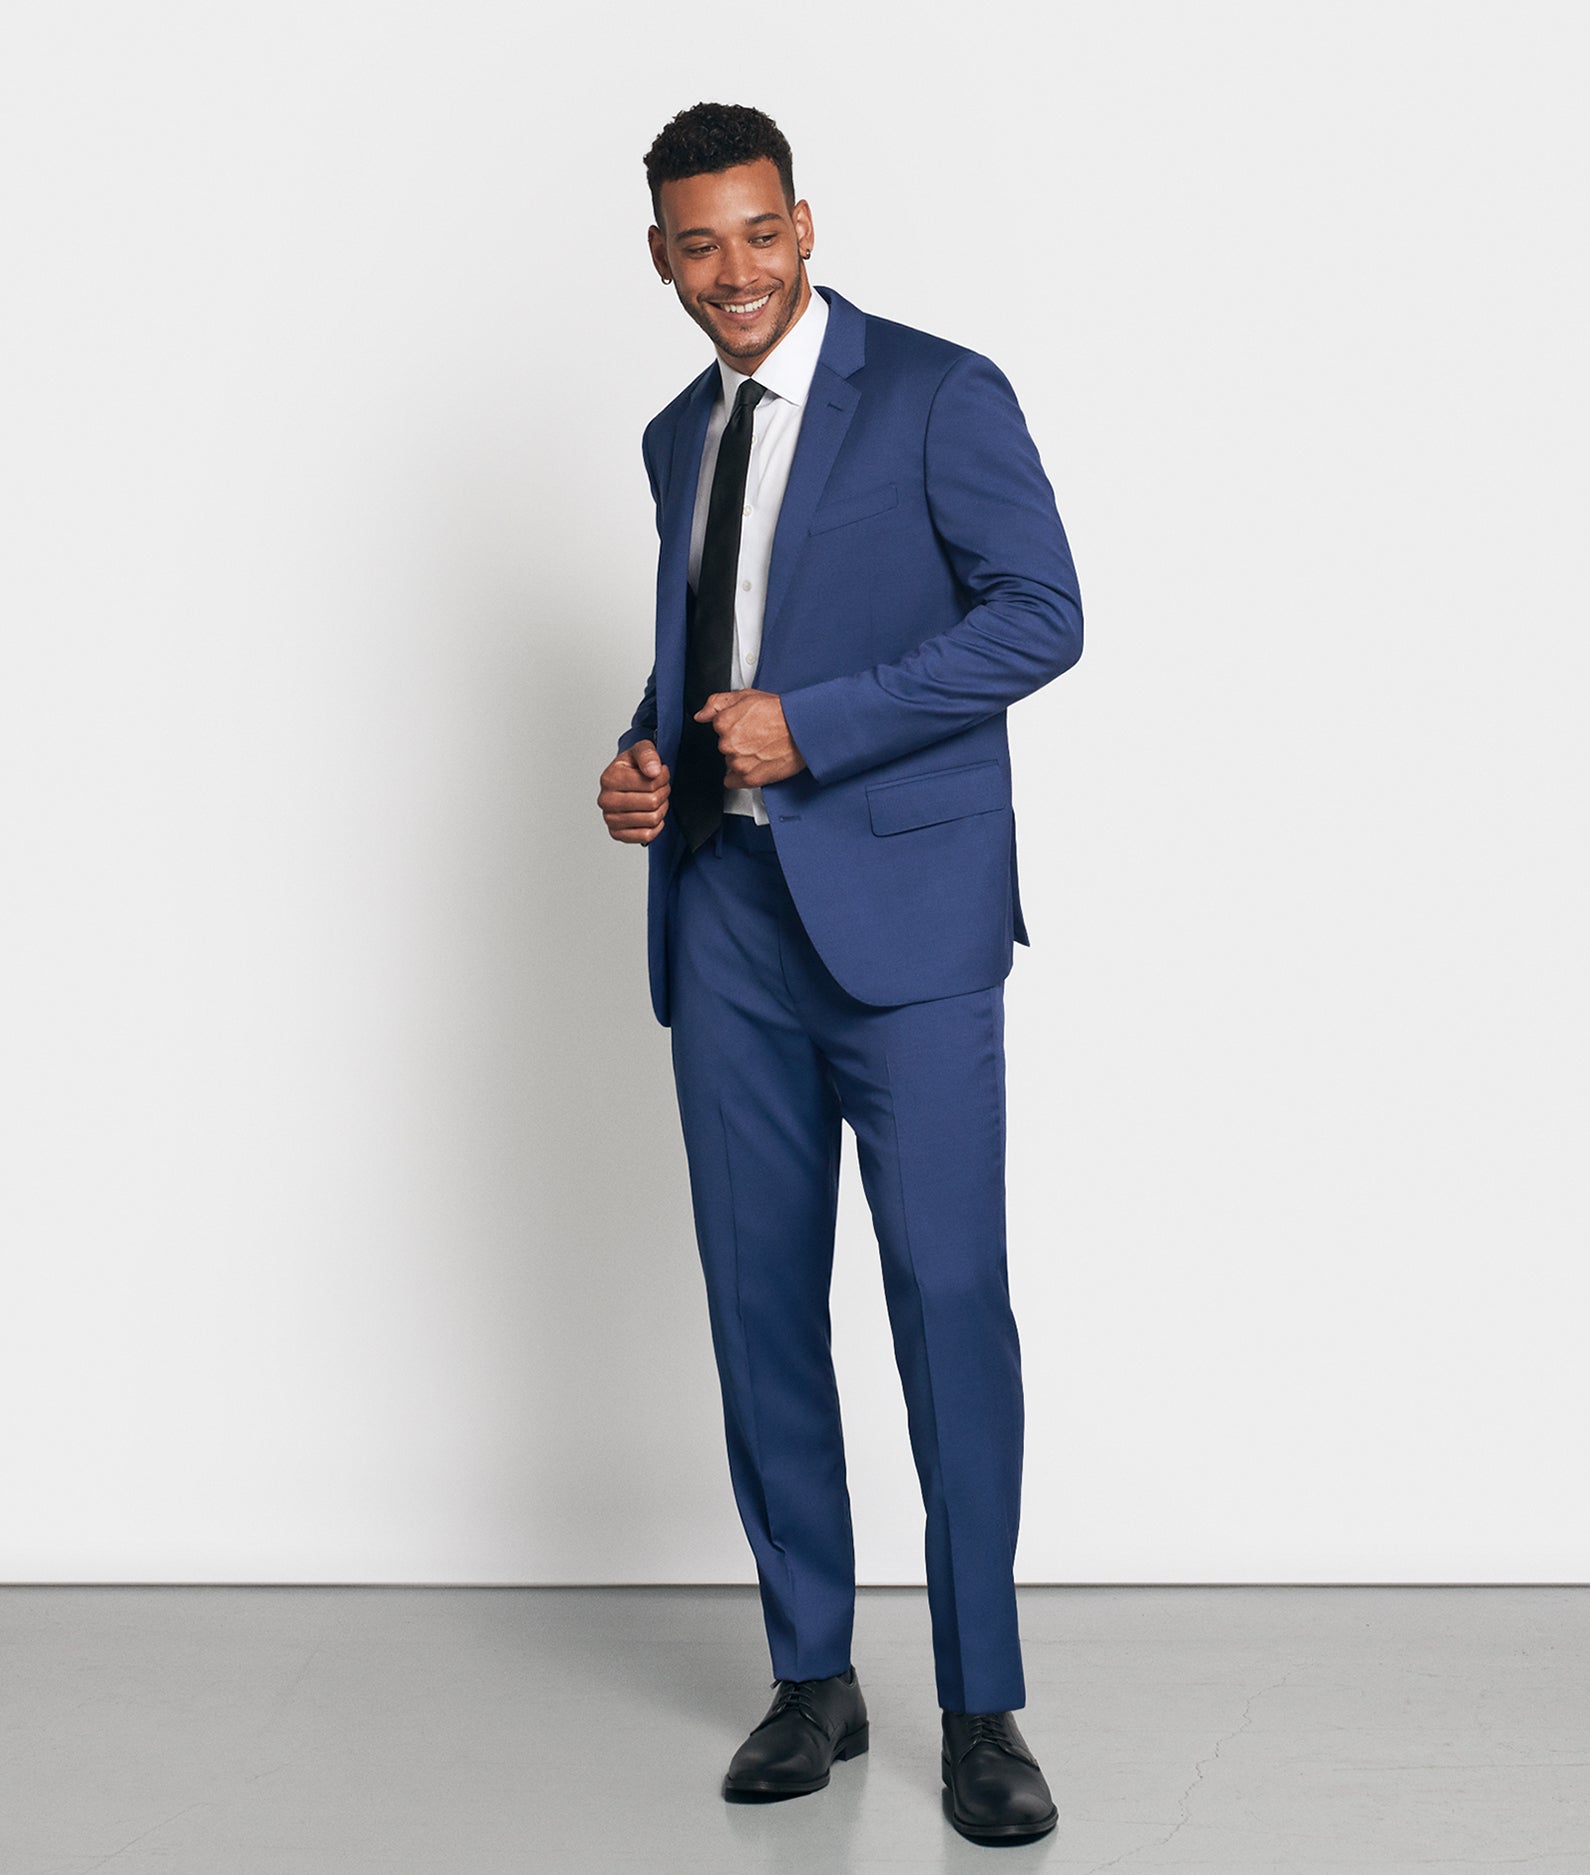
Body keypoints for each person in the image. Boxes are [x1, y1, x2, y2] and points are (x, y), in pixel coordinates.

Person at [597, 101, 1082, 1846]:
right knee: (759, 1310)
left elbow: (1041, 614)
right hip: (726, 915)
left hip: (909, 927)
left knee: (949, 1303)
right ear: (664, 257)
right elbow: (708, 653)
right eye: (698, 244)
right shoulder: (677, 433)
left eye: (759, 232)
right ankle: (812, 1675)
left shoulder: (939, 394)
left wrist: (820, 727)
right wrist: (646, 759)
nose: (734, 271)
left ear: (805, 224)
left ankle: (983, 1706)